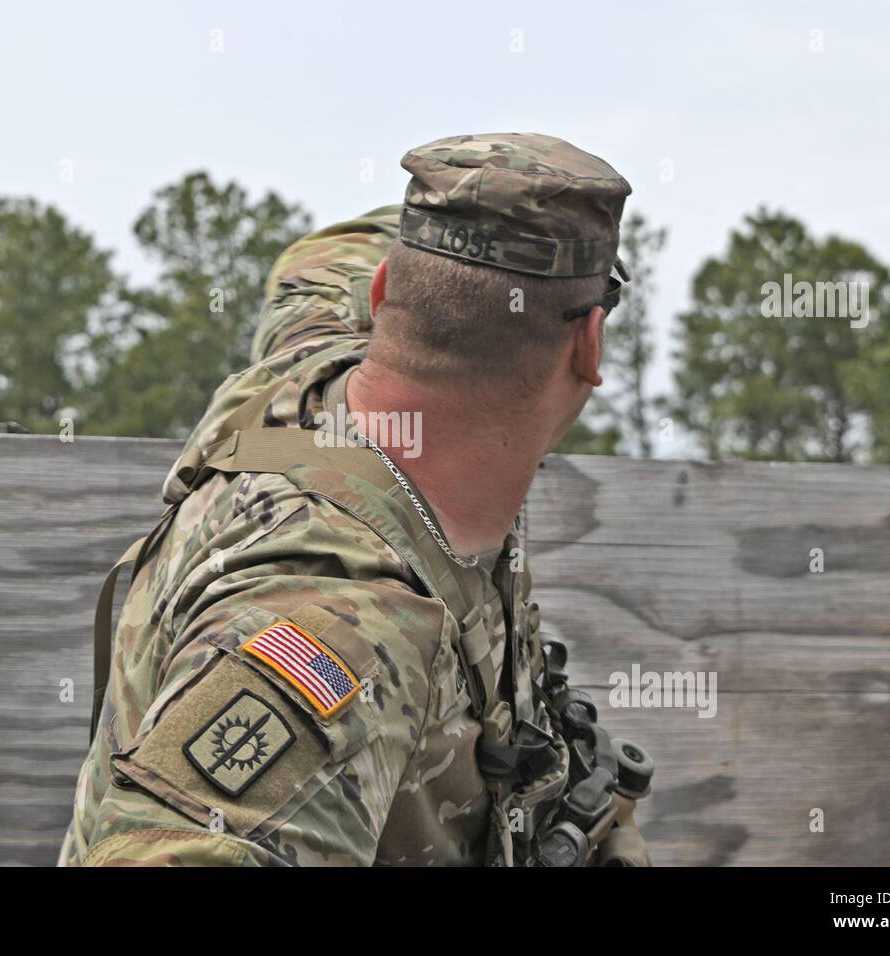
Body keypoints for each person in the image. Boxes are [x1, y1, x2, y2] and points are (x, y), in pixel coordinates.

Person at [60, 133, 651, 866]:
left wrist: (474, 223)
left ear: (379, 297)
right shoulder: (340, 623)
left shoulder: (298, 380)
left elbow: (322, 261)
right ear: (589, 346)